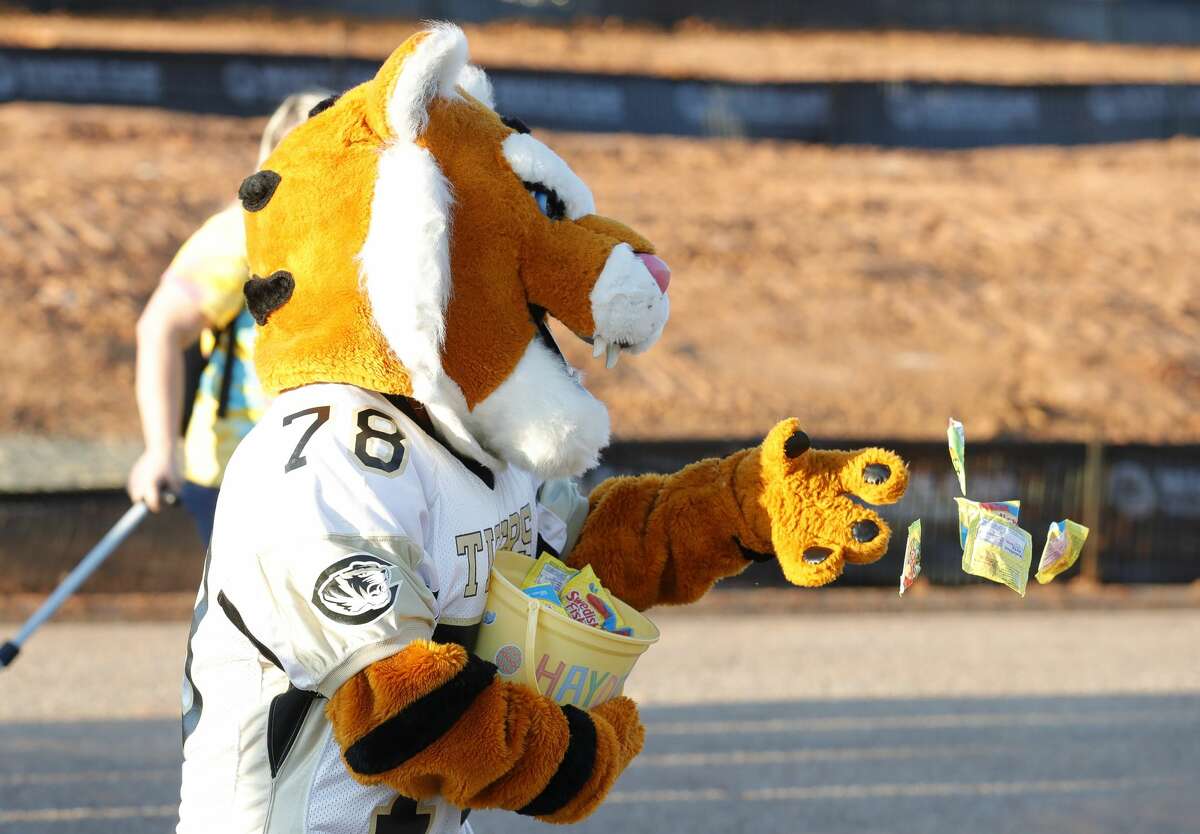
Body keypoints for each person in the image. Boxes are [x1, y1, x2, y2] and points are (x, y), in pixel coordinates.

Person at [127, 90, 329, 544]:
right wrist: (161, 451)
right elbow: (159, 328)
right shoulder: (238, 234)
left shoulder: (351, 242)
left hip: (321, 474)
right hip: (238, 475)